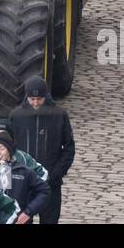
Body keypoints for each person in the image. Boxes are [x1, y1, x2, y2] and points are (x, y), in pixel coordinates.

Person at [8, 75, 75, 223]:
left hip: (50, 182)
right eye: (32, 99)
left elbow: (69, 147)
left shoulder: (59, 115)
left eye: (39, 99)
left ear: (46, 96)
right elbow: (8, 148)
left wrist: (57, 173)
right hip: (23, 184)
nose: (36, 103)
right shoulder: (16, 116)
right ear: (27, 96)